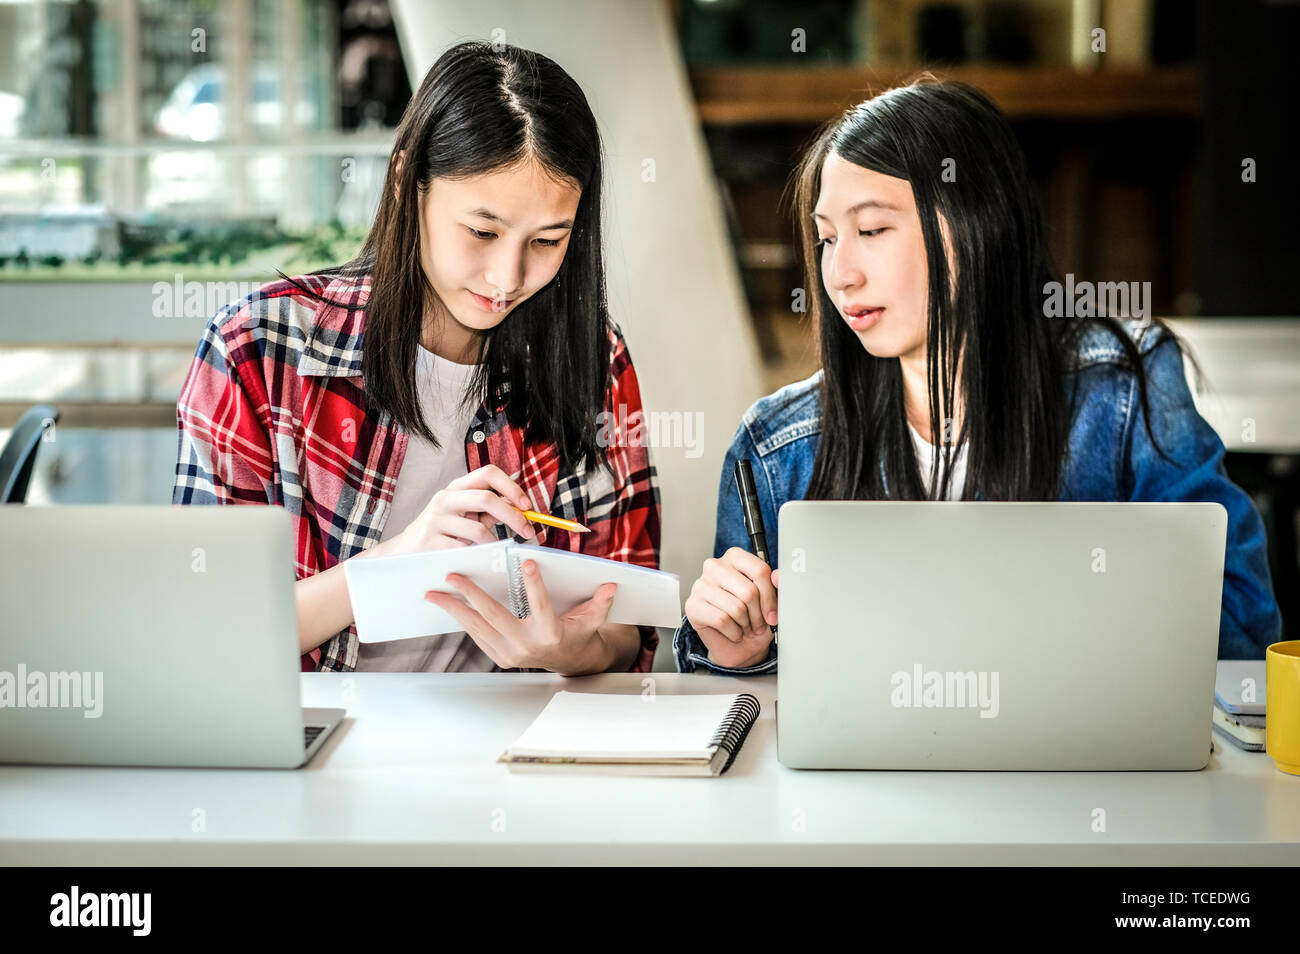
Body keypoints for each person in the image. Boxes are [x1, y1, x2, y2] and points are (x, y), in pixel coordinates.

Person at [675, 79, 1281, 674]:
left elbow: (1240, 631)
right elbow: (734, 705)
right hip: (865, 774)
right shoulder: (777, 448)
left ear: (974, 224)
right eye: (827, 238)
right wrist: (736, 652)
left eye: (871, 230)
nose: (840, 275)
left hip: (1082, 769)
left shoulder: (1120, 390)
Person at [174, 40, 660, 675]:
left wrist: (571, 650)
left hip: (516, 748)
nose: (507, 276)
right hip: (318, 752)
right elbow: (205, 632)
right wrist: (394, 561)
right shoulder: (259, 350)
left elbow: (631, 618)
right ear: (407, 180)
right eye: (482, 232)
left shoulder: (593, 357)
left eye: (547, 240)